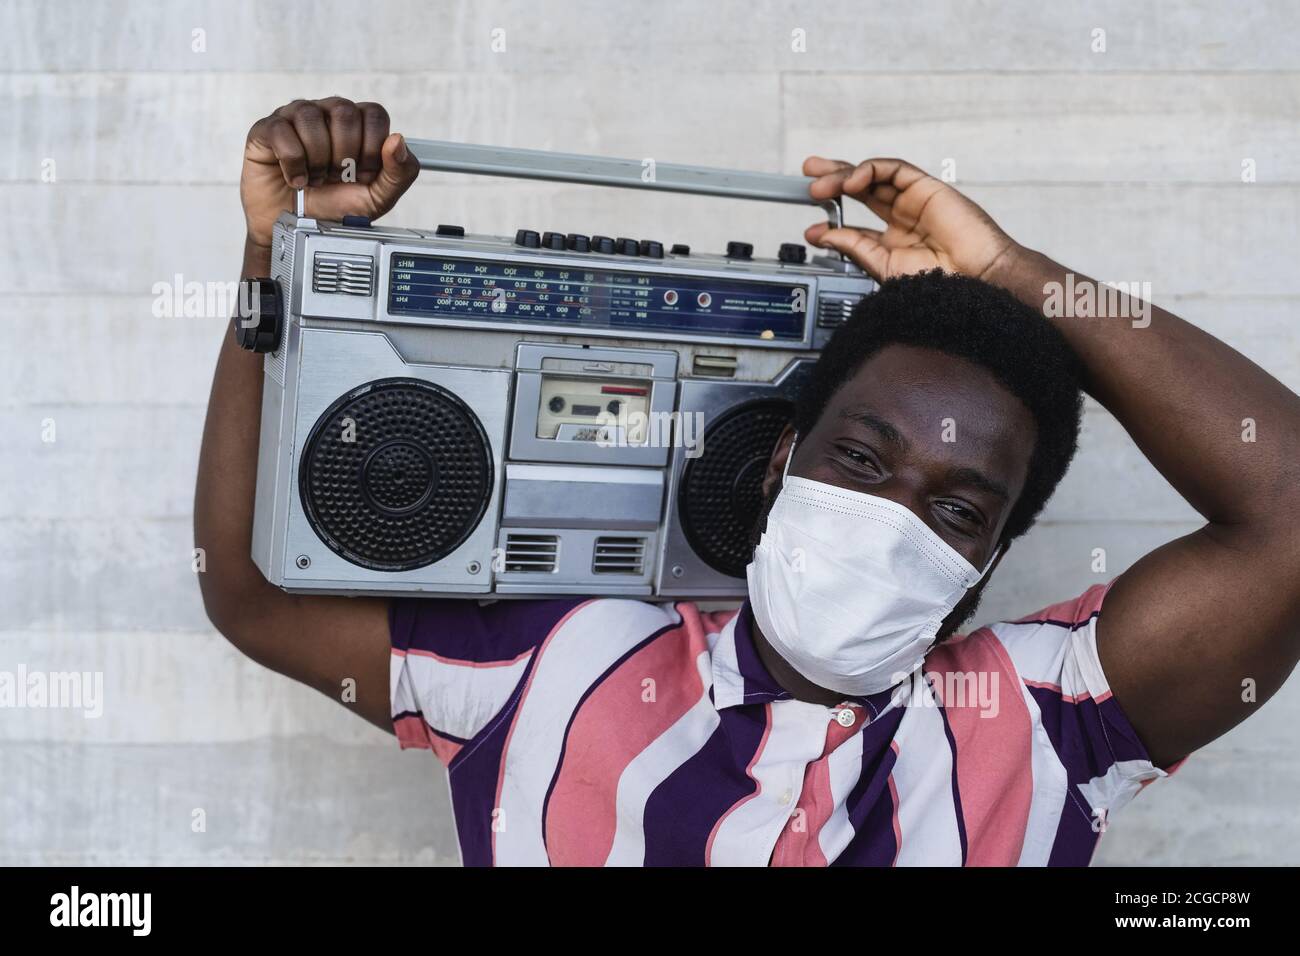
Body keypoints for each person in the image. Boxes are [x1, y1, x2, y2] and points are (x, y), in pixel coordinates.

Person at [196, 97, 1300, 866]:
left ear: (987, 560)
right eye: (861, 460)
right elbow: (250, 586)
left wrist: (1007, 273)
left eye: (956, 506)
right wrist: (279, 262)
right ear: (781, 461)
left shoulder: (1051, 721)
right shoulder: (554, 661)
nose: (888, 516)